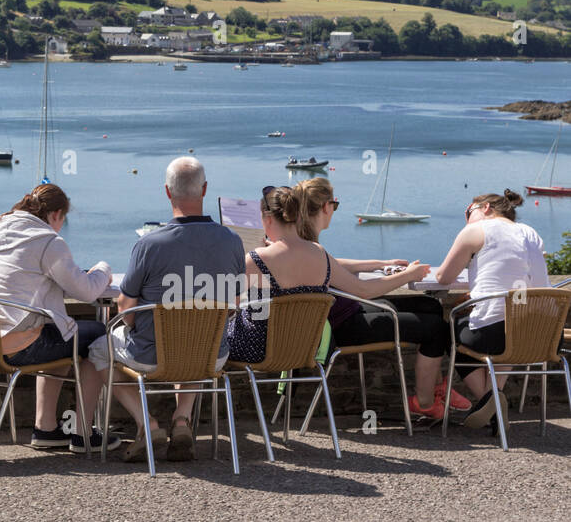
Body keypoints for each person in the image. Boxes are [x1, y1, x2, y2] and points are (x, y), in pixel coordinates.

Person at [89, 157, 245, 463]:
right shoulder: (232, 242)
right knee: (195, 339)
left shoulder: (149, 245)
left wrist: (132, 327)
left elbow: (125, 305)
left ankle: (148, 425)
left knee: (97, 350)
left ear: (167, 191)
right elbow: (232, 306)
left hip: (151, 355)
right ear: (204, 190)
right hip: (211, 354)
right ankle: (182, 419)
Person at [295, 177, 464, 419]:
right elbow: (363, 291)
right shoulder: (312, 248)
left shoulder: (305, 244)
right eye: (336, 204)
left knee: (430, 305)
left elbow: (334, 264)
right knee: (436, 328)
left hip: (345, 315)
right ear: (325, 206)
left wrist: (381, 264)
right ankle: (425, 403)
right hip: (343, 327)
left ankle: (437, 390)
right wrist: (408, 275)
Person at [0, 183, 117, 455]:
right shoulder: (49, 242)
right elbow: (86, 291)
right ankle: (84, 433)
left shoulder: (4, 232)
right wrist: (103, 269)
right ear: (56, 214)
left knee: (61, 332)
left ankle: (46, 428)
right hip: (21, 344)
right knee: (99, 335)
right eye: (63, 219)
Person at [226, 186, 426, 365]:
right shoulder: (319, 254)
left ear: (267, 219)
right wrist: (408, 275)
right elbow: (364, 290)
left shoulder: (255, 260)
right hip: (305, 349)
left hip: (256, 349)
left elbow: (227, 304)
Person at [432, 189, 549, 431]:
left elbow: (443, 277)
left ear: (485, 208)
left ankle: (492, 402)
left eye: (468, 212)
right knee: (511, 324)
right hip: (539, 334)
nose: (466, 219)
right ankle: (495, 403)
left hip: (494, 335)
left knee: (450, 332)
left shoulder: (475, 230)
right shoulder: (530, 233)